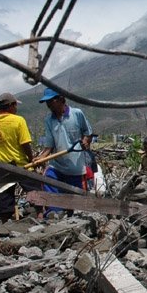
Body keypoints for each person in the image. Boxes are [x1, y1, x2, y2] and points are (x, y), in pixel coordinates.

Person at [36, 88, 94, 217]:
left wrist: (85, 141)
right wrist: (40, 158)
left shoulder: (77, 114)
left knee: (77, 205)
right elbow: (49, 146)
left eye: (51, 101)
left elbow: (88, 133)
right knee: (49, 180)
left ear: (61, 100)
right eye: (47, 102)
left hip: (75, 166)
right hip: (57, 165)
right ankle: (54, 213)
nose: (48, 105)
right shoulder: (49, 120)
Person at [0, 92, 37, 222]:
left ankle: (5, 222)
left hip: (0, 164)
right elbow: (25, 143)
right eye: (15, 105)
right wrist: (31, 159)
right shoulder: (18, 120)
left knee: (4, 196)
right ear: (11, 106)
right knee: (34, 190)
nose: (16, 108)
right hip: (19, 163)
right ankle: (40, 216)